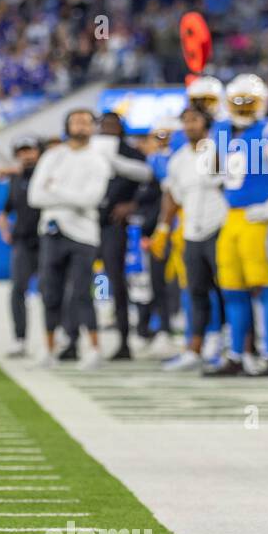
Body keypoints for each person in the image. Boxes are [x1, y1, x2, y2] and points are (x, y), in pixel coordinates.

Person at [206, 74, 268, 377]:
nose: (243, 106)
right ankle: (236, 355)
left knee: (263, 287)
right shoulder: (222, 129)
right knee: (232, 289)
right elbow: (213, 173)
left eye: (249, 101)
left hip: (260, 219)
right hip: (232, 217)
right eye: (238, 101)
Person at [28, 109, 114, 370]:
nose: (81, 126)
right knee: (49, 293)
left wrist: (55, 188)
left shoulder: (98, 160)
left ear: (93, 127)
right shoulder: (53, 156)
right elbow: (35, 197)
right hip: (52, 232)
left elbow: (91, 199)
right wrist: (72, 198)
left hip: (84, 235)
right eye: (76, 121)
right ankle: (48, 349)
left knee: (82, 293)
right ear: (67, 125)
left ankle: (95, 350)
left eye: (86, 122)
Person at [153, 107, 226, 371]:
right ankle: (194, 349)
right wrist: (163, 227)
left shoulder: (220, 151)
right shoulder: (178, 159)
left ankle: (228, 345)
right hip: (191, 230)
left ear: (206, 123)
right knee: (195, 290)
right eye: (185, 121)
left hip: (220, 227)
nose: (189, 125)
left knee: (226, 290)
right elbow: (172, 195)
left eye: (194, 120)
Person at [95, 112, 155, 360]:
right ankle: (75, 339)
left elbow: (151, 183)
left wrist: (133, 204)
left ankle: (125, 340)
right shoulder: (88, 150)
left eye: (113, 125)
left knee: (119, 281)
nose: (108, 129)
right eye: (105, 125)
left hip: (114, 224)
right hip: (86, 222)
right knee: (77, 282)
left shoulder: (131, 152)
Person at [0, 135, 42, 357]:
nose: (26, 155)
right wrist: (4, 229)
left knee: (53, 290)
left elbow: (32, 171)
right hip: (23, 240)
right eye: (22, 151)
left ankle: (61, 336)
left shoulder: (46, 173)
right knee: (17, 290)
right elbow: (5, 210)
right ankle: (20, 339)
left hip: (47, 239)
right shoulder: (15, 179)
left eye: (30, 150)